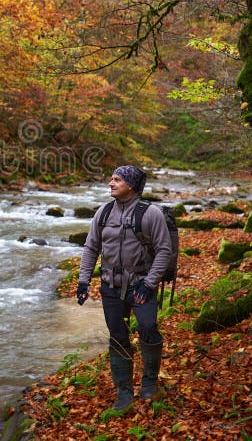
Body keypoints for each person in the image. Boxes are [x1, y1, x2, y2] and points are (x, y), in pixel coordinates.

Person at [75, 165, 172, 411]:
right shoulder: (104, 212)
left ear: (131, 184)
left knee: (148, 328)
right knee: (118, 337)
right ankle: (124, 392)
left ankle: (149, 382)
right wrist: (83, 281)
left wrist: (149, 284)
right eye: (111, 178)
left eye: (117, 179)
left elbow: (164, 250)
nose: (110, 182)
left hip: (141, 284)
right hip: (110, 286)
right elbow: (90, 248)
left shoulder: (150, 214)